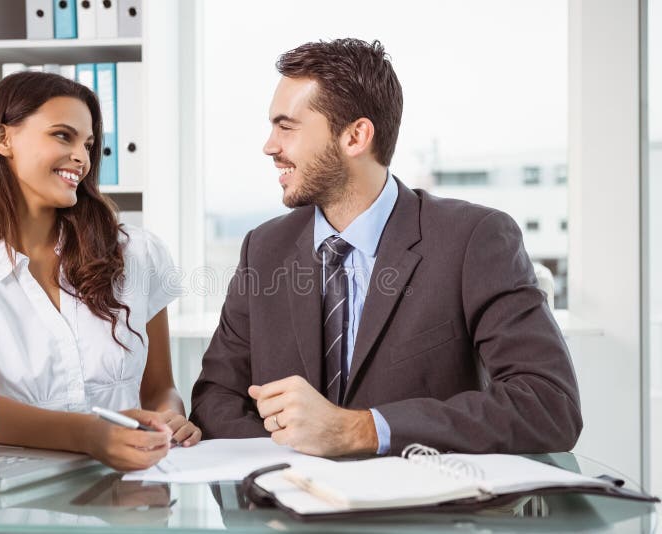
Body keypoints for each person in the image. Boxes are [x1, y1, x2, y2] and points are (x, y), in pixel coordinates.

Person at [190, 38, 582, 457]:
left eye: (286, 127)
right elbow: (215, 398)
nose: (270, 145)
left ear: (356, 136)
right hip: (289, 511)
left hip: (423, 514)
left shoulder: (475, 239)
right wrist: (295, 460)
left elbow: (548, 403)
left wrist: (362, 430)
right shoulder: (264, 249)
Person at [0, 71, 201, 471]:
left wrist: (168, 417)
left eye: (89, 144)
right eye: (63, 136)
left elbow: (160, 387)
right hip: (16, 501)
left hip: (134, 489)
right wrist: (88, 434)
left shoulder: (137, 253)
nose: (82, 157)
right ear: (3, 139)